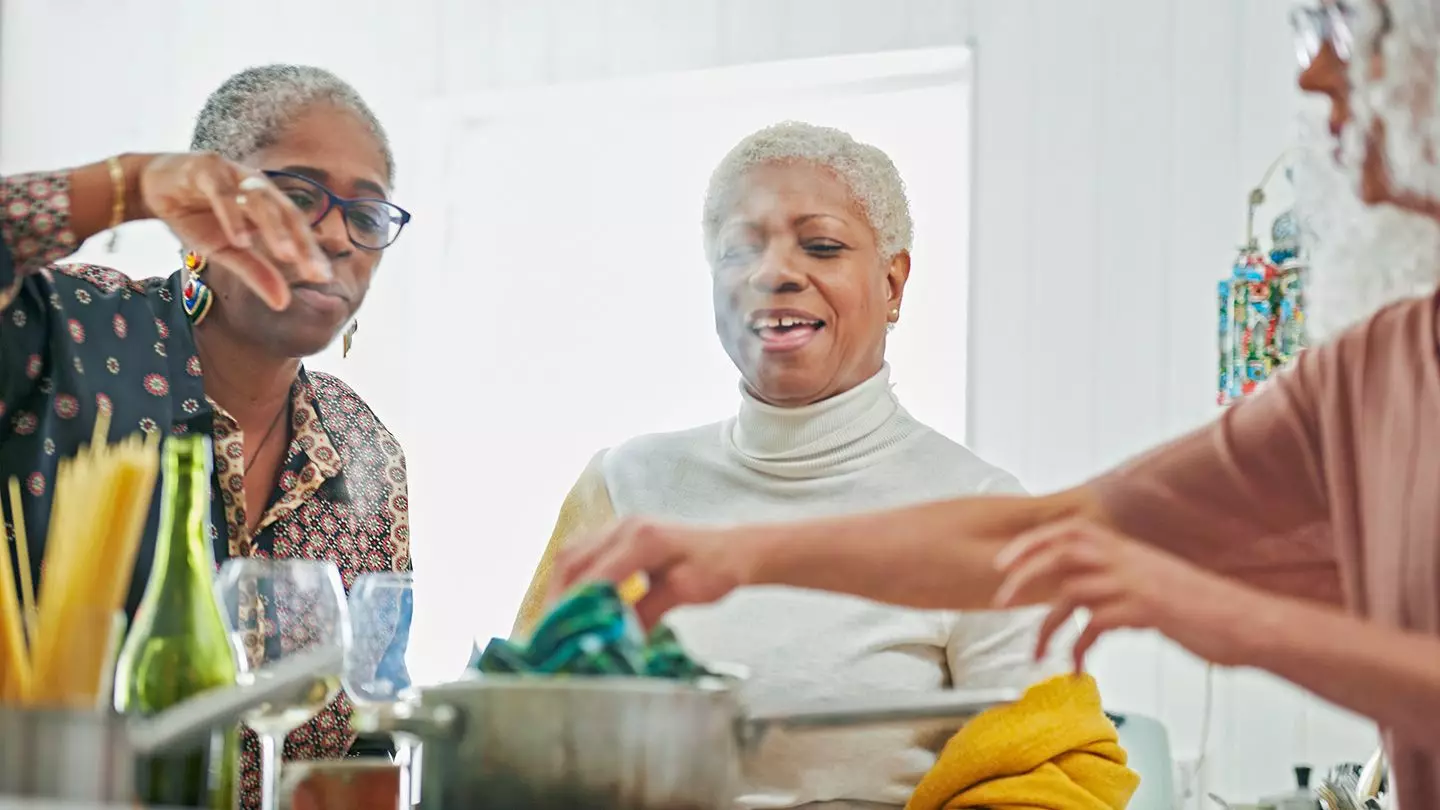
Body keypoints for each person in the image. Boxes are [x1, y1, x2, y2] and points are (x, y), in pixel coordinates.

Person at [550, 3, 1440, 807]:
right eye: (1311, 29)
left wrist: (1222, 617)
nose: (1312, 71)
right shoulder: (1367, 370)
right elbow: (1047, 534)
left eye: (1353, 28)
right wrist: (732, 555)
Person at [513, 121, 1124, 809]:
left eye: (823, 245)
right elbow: (514, 742)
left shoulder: (984, 516)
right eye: (739, 249)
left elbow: (1052, 779)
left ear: (893, 283)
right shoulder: (623, 488)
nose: (773, 273)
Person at [0, 64, 412, 809]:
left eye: (367, 215)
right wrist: (127, 187)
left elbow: (365, 728)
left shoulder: (364, 451)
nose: (333, 235)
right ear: (201, 207)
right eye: (295, 197)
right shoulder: (70, 334)